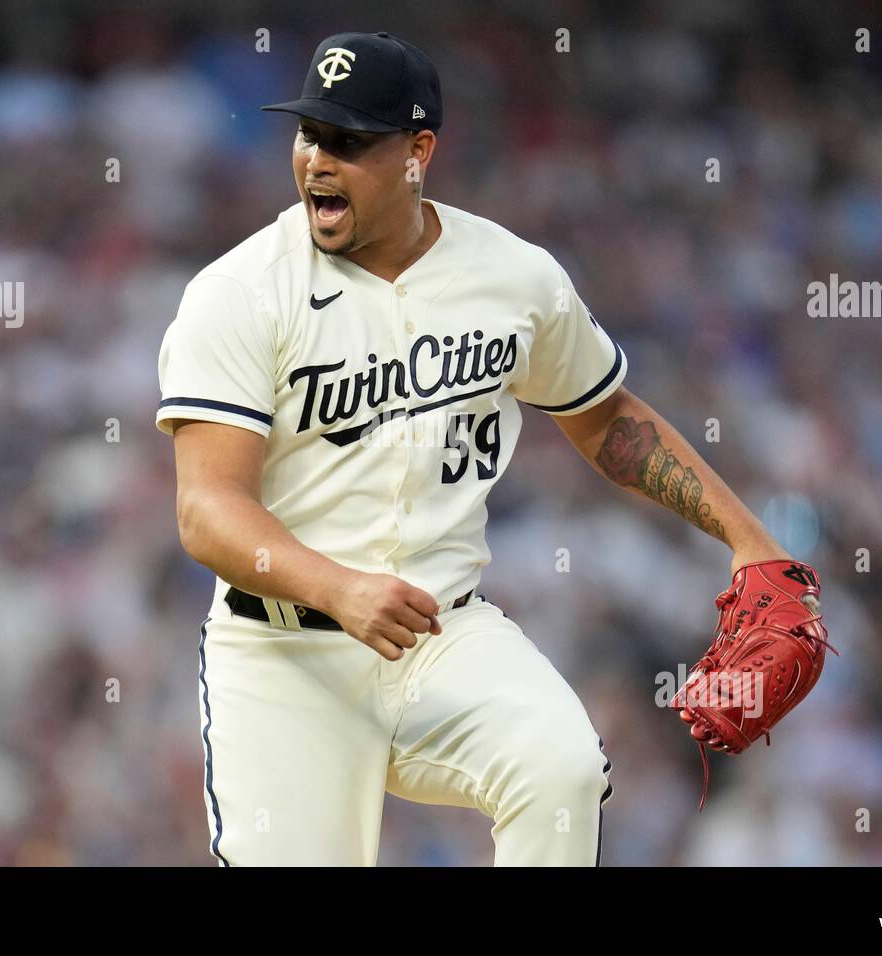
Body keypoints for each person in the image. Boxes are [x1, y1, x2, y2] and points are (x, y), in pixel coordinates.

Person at [155, 31, 794, 866]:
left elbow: (607, 421)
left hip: (441, 635)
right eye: (309, 133)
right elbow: (208, 511)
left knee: (560, 771)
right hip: (284, 654)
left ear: (418, 152)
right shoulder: (239, 293)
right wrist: (339, 588)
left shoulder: (512, 275)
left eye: (349, 141)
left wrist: (751, 539)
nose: (318, 160)